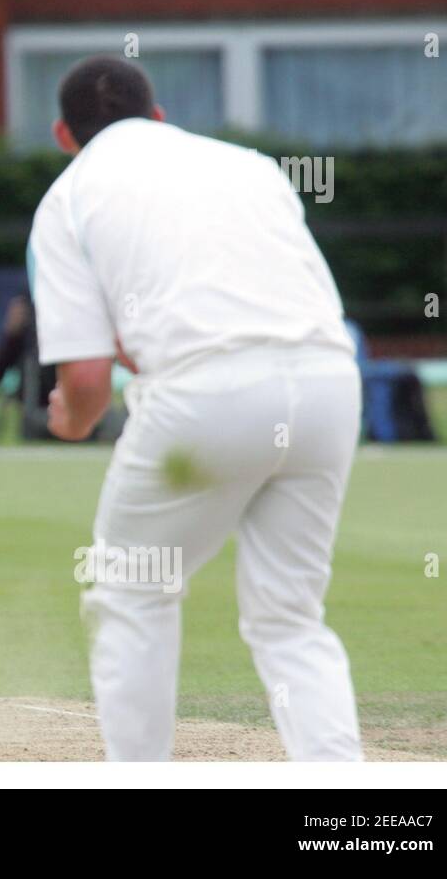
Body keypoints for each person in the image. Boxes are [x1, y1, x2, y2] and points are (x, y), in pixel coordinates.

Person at [29, 55, 362, 761]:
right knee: (290, 618)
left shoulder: (69, 196)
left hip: (206, 399)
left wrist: (68, 420)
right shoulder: (250, 166)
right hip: (330, 383)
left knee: (130, 589)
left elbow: (84, 379)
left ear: (64, 134)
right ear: (159, 115)